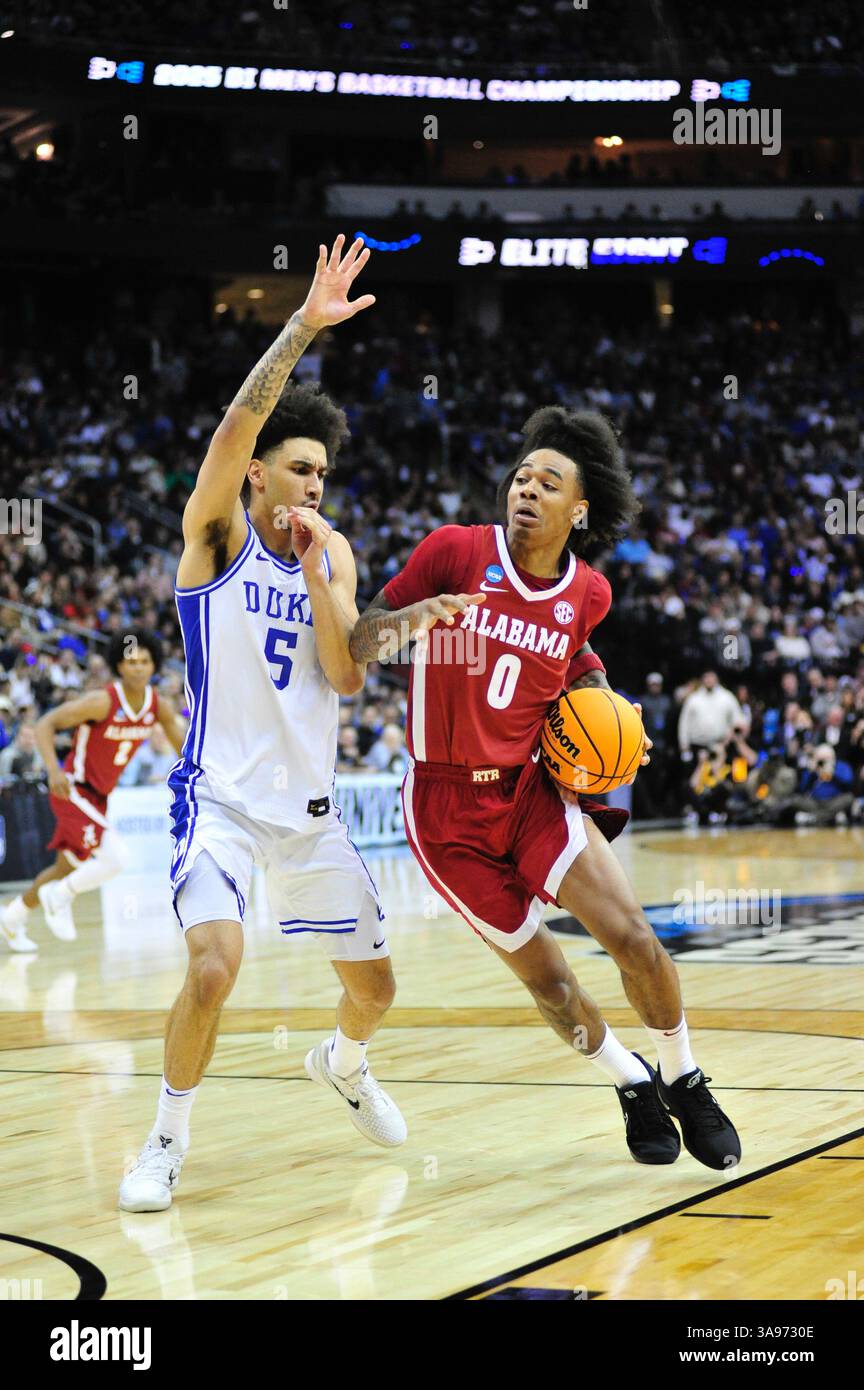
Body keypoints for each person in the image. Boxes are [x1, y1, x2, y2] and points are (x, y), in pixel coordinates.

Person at [350, 405, 741, 1171]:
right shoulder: (455, 551)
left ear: (579, 508)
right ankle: (630, 1081)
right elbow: (362, 640)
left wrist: (611, 708)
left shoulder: (586, 593)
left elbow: (576, 651)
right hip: (444, 814)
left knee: (633, 936)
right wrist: (413, 621)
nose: (527, 488)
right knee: (555, 983)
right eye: (522, 476)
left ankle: (682, 1073)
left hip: (533, 794)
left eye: (548, 481)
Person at [119, 235, 406, 1215]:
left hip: (314, 817)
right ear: (257, 478)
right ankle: (165, 1138)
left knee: (377, 991)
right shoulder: (217, 540)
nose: (315, 484)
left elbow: (345, 674)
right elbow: (232, 427)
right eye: (299, 469)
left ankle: (344, 1061)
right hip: (227, 803)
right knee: (214, 965)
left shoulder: (336, 554)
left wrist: (332, 580)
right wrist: (303, 324)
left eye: (324, 471)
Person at [0, 630, 185, 954]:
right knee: (117, 859)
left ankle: (11, 917)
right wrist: (54, 771)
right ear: (118, 665)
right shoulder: (102, 701)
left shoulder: (159, 706)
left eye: (145, 661)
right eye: (131, 662)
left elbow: (182, 746)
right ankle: (60, 895)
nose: (138, 668)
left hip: (99, 797)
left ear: (154, 664)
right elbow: (45, 725)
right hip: (73, 788)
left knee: (65, 867)